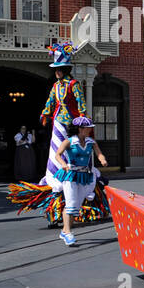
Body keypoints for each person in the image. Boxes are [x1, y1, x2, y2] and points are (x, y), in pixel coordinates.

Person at [49, 116, 108, 246]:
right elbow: (57, 155)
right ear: (80, 129)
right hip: (71, 175)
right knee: (71, 203)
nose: (90, 130)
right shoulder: (69, 141)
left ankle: (65, 231)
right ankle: (68, 233)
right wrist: (63, 164)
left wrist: (102, 159)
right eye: (88, 128)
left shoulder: (91, 142)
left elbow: (99, 153)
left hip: (84, 176)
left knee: (75, 206)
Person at [39, 47, 86, 186]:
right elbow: (50, 101)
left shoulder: (73, 84)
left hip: (71, 122)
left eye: (59, 69)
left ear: (65, 70)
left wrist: (82, 116)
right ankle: (54, 174)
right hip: (58, 120)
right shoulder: (55, 86)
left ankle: (72, 173)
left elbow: (81, 100)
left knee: (72, 147)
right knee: (56, 146)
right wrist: (45, 113)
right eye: (55, 69)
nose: (56, 72)